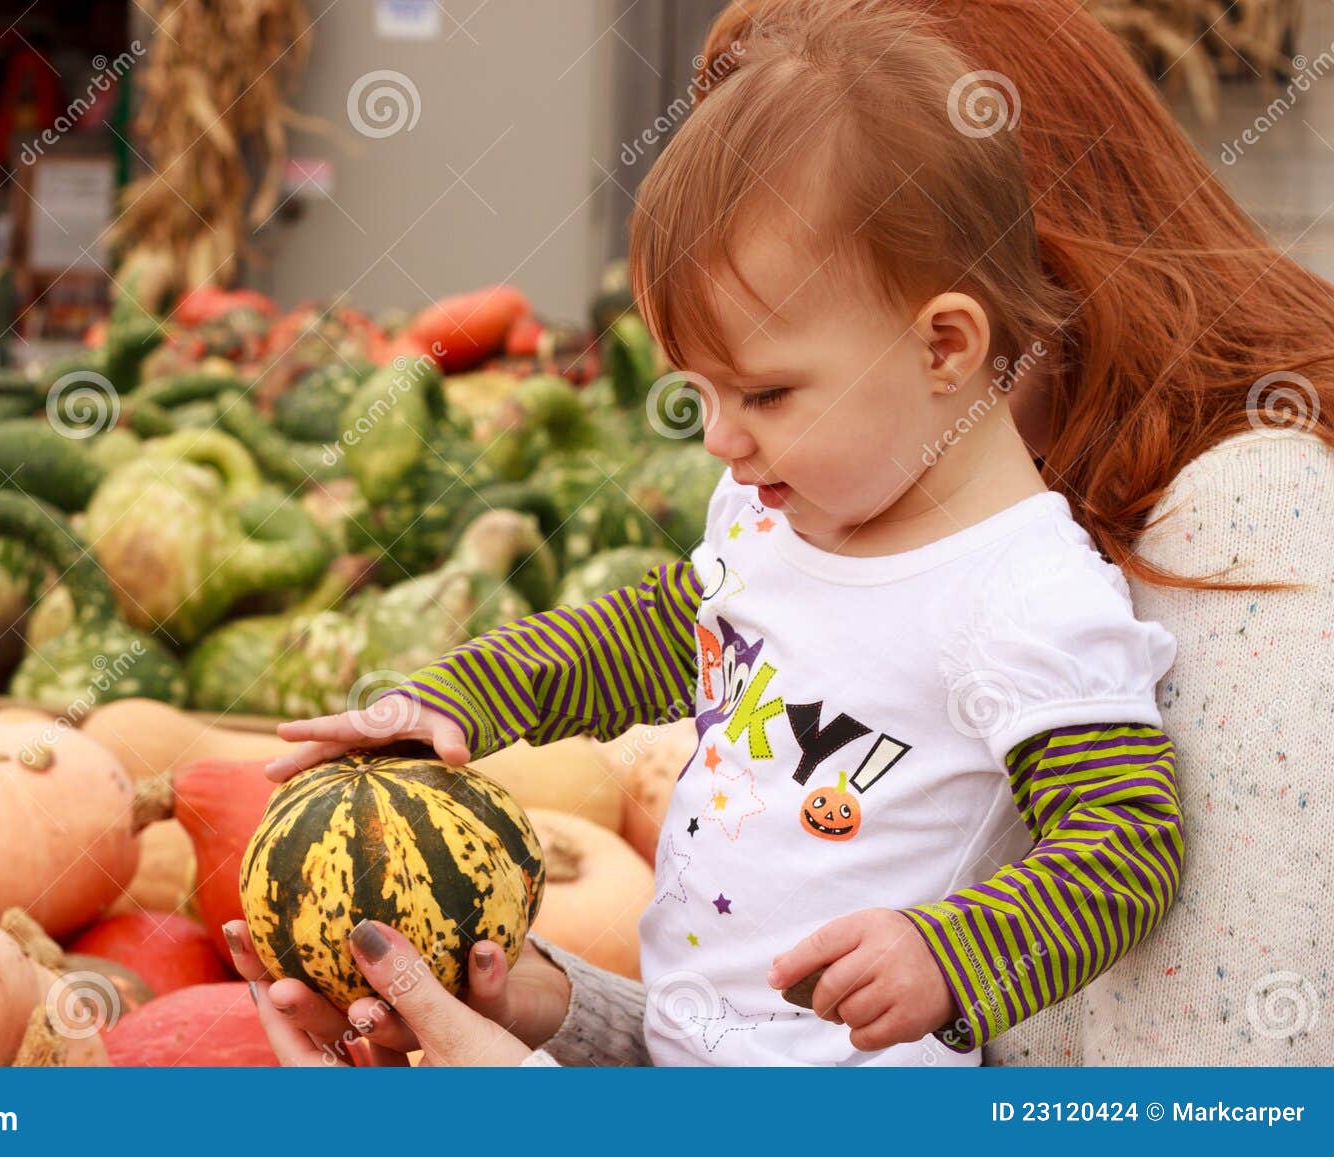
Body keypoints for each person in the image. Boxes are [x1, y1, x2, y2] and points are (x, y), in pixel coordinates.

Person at [234, 0, 1190, 1067]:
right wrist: (459, 698)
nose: (724, 439)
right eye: (703, 393)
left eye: (769, 392)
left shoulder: (1024, 594)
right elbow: (655, 633)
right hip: (688, 1043)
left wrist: (954, 954)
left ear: (946, 347)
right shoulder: (778, 506)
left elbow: (1125, 848)